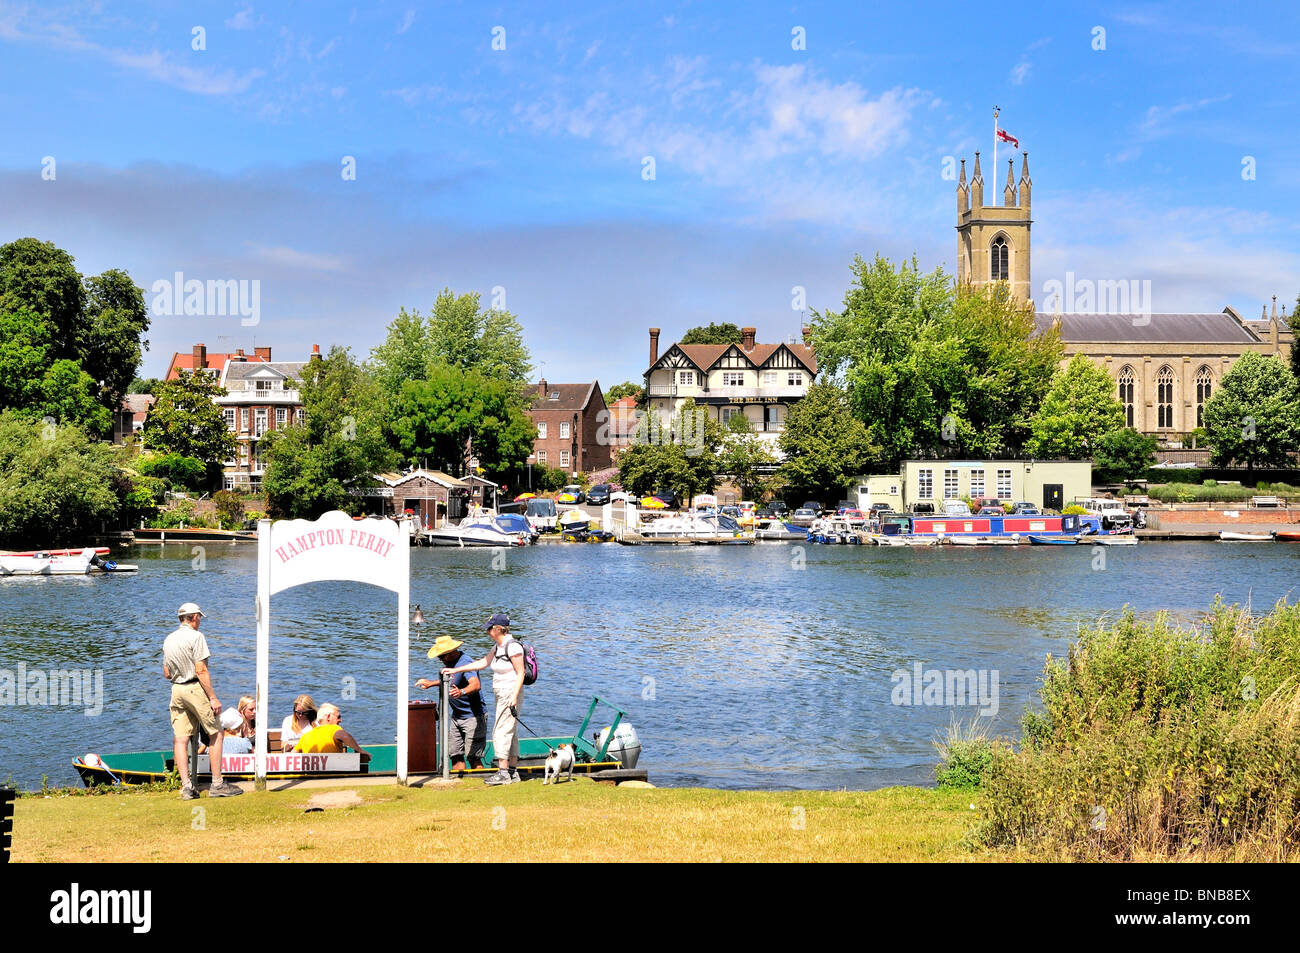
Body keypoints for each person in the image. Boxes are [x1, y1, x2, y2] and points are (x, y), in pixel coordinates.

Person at [162, 602, 243, 799]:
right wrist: (213, 698)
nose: (200, 621)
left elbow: (166, 673)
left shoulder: (169, 639)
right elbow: (201, 670)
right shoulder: (197, 637)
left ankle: (187, 787)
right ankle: (217, 784)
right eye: (199, 617)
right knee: (216, 733)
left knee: (181, 739)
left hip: (176, 690)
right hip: (194, 688)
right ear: (194, 617)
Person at [442, 612, 524, 786]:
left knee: (500, 732)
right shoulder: (497, 647)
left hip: (509, 693)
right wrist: (455, 671)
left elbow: (521, 673)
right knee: (510, 731)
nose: (487, 631)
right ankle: (512, 772)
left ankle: (503, 773)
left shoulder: (513, 646)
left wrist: (514, 696)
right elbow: (482, 663)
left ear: (498, 629)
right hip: (501, 693)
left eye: (489, 628)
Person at [416, 635, 486, 773]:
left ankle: (478, 783)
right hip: (456, 717)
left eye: (442, 656)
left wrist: (462, 692)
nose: (440, 659)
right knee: (455, 755)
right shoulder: (450, 663)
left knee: (473, 757)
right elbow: (453, 680)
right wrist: (431, 683)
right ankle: (458, 784)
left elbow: (476, 685)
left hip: (473, 717)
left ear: (452, 652)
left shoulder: (466, 663)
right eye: (439, 657)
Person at [294, 703, 371, 763]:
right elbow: (345, 736)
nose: (340, 720)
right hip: (333, 774)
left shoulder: (305, 736)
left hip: (310, 777)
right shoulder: (333, 728)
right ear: (328, 717)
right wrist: (359, 750)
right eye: (338, 717)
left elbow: (292, 754)